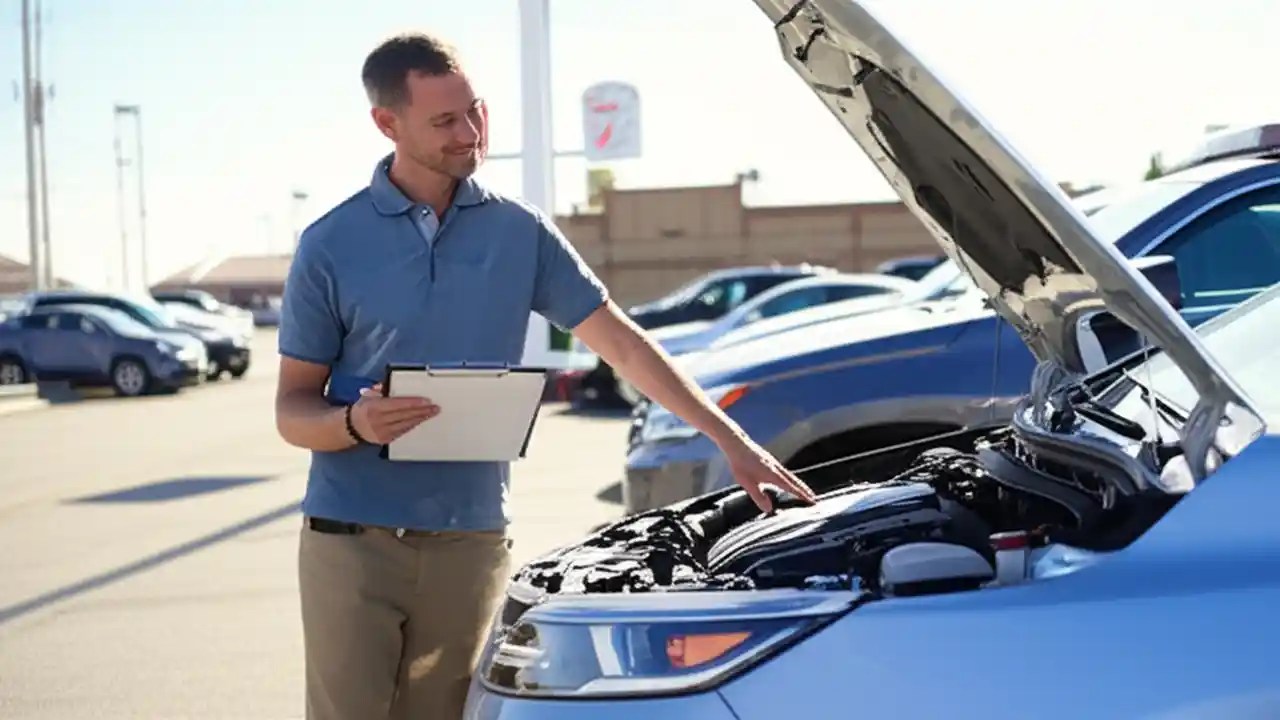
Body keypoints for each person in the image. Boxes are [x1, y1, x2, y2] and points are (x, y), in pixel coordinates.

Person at [273, 31, 817, 720]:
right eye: (444, 121)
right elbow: (292, 409)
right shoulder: (331, 242)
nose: (469, 133)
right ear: (387, 123)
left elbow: (623, 344)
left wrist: (733, 441)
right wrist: (354, 421)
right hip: (351, 540)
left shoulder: (517, 231)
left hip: (470, 540)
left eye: (476, 111)